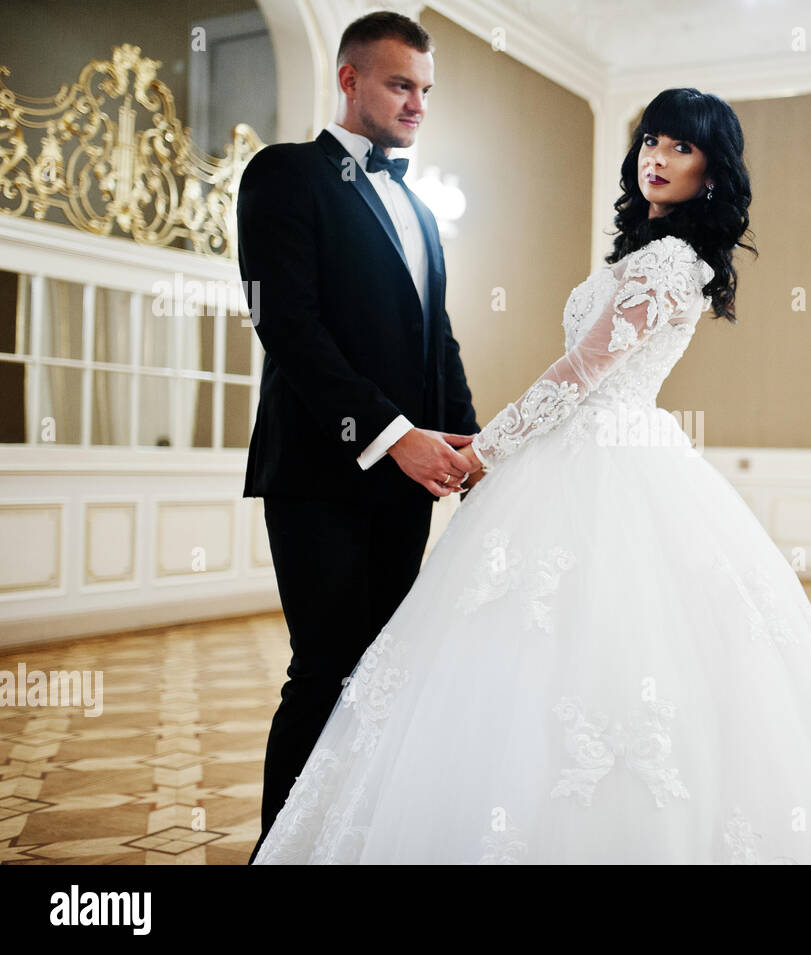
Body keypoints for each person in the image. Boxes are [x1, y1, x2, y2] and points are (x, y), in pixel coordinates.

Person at [251, 85, 811, 864]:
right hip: (577, 456)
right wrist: (495, 446)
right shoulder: (642, 251)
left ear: (712, 171)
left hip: (608, 460)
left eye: (682, 147)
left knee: (599, 653)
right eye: (652, 139)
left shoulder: (671, 260)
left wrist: (486, 450)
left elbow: (584, 371)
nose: (659, 157)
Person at [237, 11, 482, 864]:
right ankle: (283, 851)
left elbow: (435, 336)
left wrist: (471, 442)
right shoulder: (285, 174)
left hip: (402, 482)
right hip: (318, 472)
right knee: (326, 669)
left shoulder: (417, 203)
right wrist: (392, 434)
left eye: (425, 89)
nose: (417, 103)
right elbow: (292, 328)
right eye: (398, 84)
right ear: (349, 79)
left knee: (381, 676)